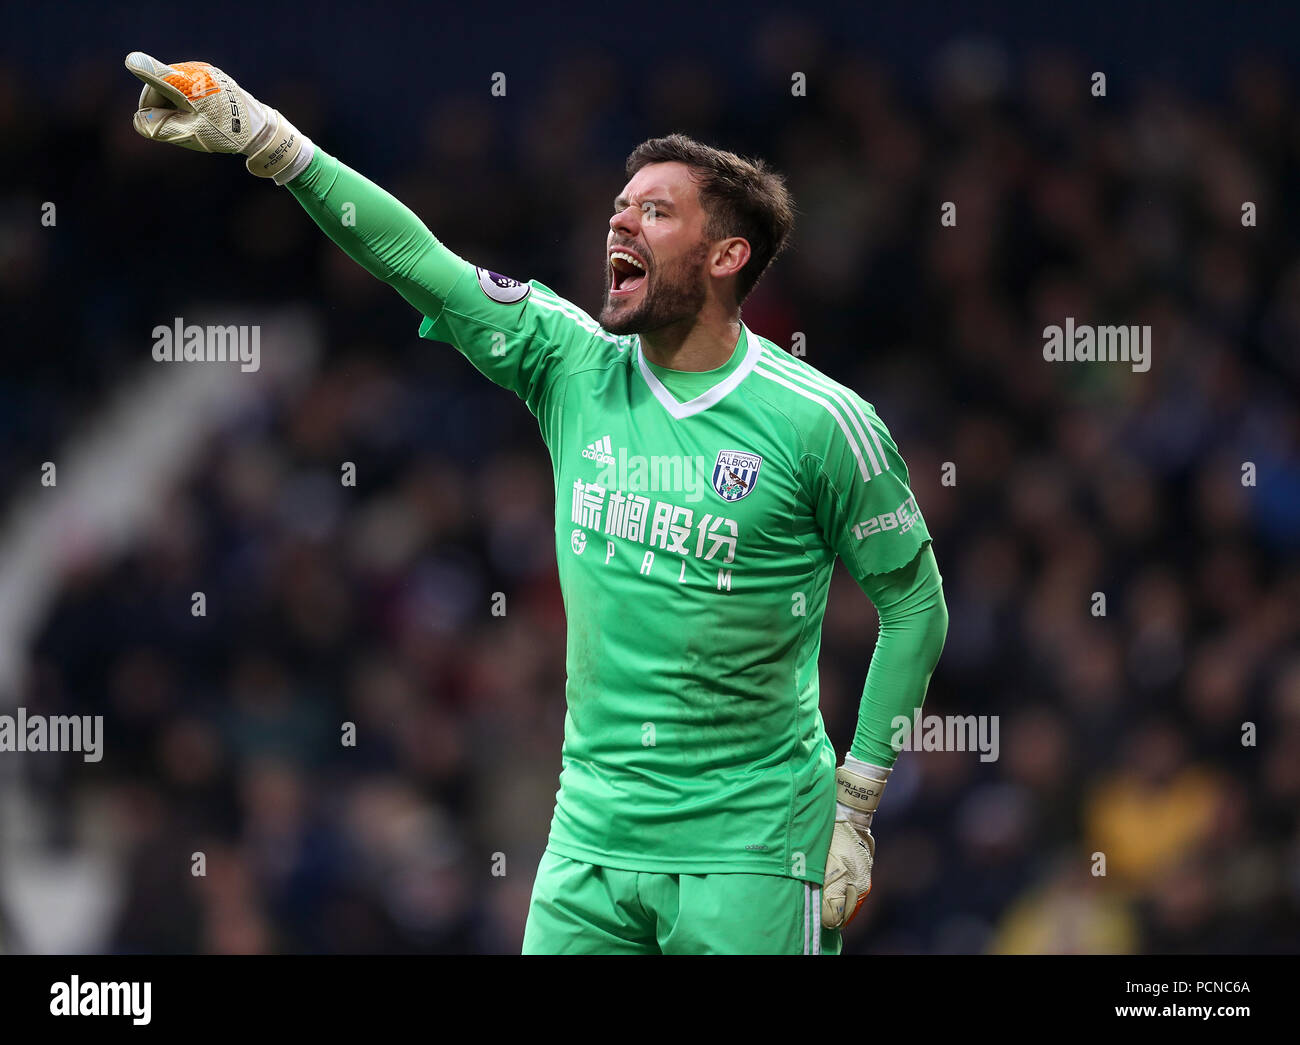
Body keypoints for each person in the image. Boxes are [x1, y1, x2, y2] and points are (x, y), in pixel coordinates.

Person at [124, 51, 949, 955]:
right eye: (620, 205)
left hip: (749, 846)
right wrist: (272, 143)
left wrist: (859, 802)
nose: (620, 219)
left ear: (726, 255)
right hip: (590, 839)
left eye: (655, 210)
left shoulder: (821, 422)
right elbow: (416, 258)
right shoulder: (571, 362)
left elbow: (915, 603)